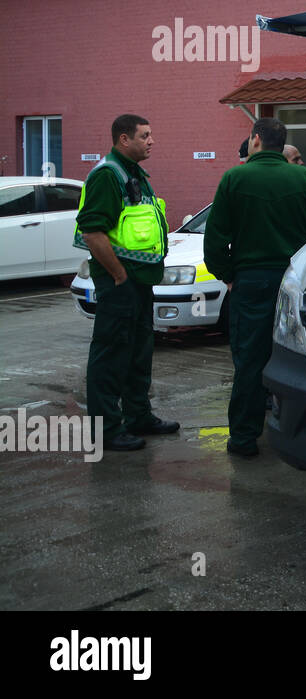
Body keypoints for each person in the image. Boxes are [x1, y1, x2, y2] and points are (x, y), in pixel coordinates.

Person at [204, 117, 306, 458]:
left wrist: (228, 275)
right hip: (293, 283)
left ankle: (244, 439)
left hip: (251, 281)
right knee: (301, 359)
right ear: (282, 144)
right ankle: (305, 433)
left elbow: (215, 241)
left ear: (255, 140)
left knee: (249, 360)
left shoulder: (234, 178)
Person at [73, 114, 180, 451]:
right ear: (123, 139)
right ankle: (106, 429)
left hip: (139, 285)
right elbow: (92, 231)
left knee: (138, 352)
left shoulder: (135, 174)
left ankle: (138, 416)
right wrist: (118, 275)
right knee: (110, 355)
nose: (151, 141)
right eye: (144, 135)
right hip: (120, 285)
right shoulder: (108, 175)